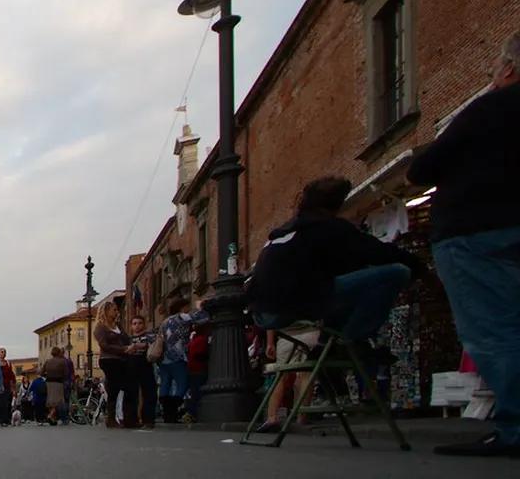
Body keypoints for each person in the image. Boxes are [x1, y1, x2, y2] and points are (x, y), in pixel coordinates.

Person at [408, 30, 520, 458]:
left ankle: (514, 426)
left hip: (475, 231)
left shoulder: (487, 109)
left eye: (495, 67)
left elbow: (424, 168)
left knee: (494, 329)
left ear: (508, 68)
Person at [246, 176, 423, 342]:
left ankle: (330, 342)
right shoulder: (328, 227)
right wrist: (420, 268)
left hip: (262, 313)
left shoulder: (284, 232)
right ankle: (351, 340)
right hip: (290, 305)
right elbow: (377, 251)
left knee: (333, 288)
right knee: (397, 273)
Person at [156, 297, 209, 423]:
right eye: (187, 307)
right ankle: (173, 410)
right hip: (177, 356)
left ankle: (167, 413)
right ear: (182, 307)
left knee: (165, 384)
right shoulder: (182, 317)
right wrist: (201, 306)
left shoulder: (165, 321)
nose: (188, 309)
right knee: (183, 383)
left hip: (163, 358)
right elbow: (203, 318)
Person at [94, 300, 130, 429]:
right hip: (109, 359)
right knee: (114, 388)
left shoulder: (118, 326)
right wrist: (123, 349)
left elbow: (126, 339)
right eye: (114, 310)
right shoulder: (100, 327)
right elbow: (104, 345)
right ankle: (111, 418)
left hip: (122, 359)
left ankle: (125, 417)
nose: (116, 312)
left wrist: (130, 346)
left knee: (126, 387)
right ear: (106, 311)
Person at [121, 314, 158, 429]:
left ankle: (148, 420)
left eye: (140, 323)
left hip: (145, 365)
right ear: (131, 326)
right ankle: (131, 420)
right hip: (131, 366)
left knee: (149, 392)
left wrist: (137, 346)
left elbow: (153, 345)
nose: (137, 326)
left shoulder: (149, 335)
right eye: (134, 323)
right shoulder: (128, 338)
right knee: (131, 393)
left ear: (144, 324)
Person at [183, 324, 209, 422]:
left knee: (194, 393)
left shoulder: (193, 340)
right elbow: (199, 355)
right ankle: (193, 413)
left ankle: (191, 413)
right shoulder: (201, 340)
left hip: (192, 369)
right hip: (198, 369)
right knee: (197, 393)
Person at [40, 347, 68, 425]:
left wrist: (48, 375)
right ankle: (50, 415)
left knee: (51, 401)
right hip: (58, 383)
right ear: (59, 353)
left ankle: (53, 419)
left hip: (49, 383)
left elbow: (42, 373)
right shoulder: (62, 362)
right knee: (58, 401)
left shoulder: (47, 361)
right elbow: (66, 374)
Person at [0, 348, 16, 426]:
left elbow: (11, 376)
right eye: (1, 352)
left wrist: (13, 388)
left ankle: (6, 419)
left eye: (5, 352)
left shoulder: (8, 363)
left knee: (7, 402)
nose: (3, 353)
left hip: (7, 385)